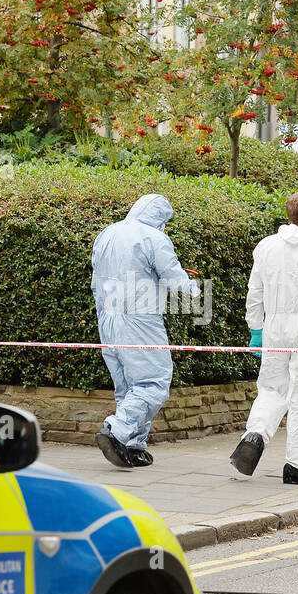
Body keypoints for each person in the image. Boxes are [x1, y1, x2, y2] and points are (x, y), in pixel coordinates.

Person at [230, 190, 298, 485]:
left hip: (273, 328)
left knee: (271, 388)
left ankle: (255, 435)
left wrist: (256, 330)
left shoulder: (266, 247)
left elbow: (255, 291)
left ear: (289, 213)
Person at [91, 193, 200, 468]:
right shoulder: (154, 238)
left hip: (107, 317)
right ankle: (117, 430)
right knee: (154, 380)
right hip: (139, 319)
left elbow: (96, 279)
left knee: (127, 385)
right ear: (159, 217)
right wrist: (191, 288)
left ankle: (132, 445)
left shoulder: (108, 233)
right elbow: (173, 276)